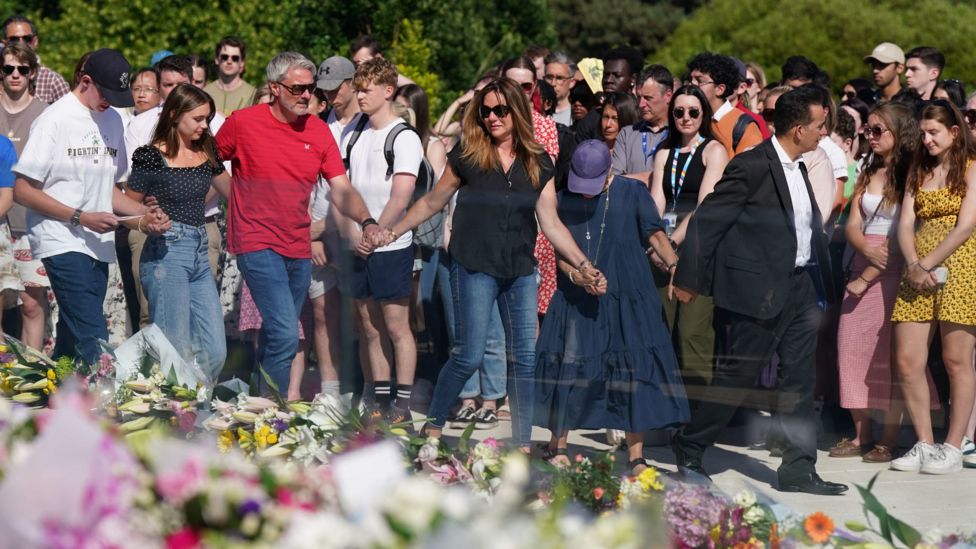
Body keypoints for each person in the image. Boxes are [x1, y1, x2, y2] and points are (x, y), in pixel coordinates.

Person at [382, 78, 606, 448]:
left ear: (516, 110)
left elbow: (550, 221)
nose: (491, 117)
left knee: (524, 360)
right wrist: (393, 230)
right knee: (468, 355)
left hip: (519, 270)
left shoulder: (538, 160)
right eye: (485, 111)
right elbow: (432, 202)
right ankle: (433, 428)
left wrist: (584, 264)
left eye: (500, 110)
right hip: (473, 266)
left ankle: (521, 445)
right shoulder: (469, 154)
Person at [671, 87, 847, 495]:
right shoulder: (751, 166)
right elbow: (708, 221)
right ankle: (690, 444)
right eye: (821, 125)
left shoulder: (801, 166)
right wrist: (688, 279)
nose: (825, 133)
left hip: (800, 286)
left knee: (800, 381)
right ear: (799, 128)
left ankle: (798, 470)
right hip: (758, 291)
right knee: (737, 378)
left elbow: (804, 230)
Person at [216, 51, 380, 396]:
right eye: (298, 88)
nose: (307, 95)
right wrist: (232, 196)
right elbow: (206, 163)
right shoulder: (243, 123)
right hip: (256, 242)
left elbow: (341, 187)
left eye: (311, 88)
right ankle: (271, 408)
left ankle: (260, 408)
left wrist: (366, 220)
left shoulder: (319, 132)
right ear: (275, 88)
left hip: (298, 246)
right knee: (286, 332)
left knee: (283, 336)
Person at [535, 139, 689, 472]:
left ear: (610, 174)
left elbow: (655, 234)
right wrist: (579, 277)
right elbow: (560, 254)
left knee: (632, 371)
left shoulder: (632, 193)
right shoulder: (562, 200)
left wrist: (675, 265)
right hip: (578, 297)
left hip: (630, 293)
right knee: (569, 369)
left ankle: (636, 455)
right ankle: (556, 445)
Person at [12, 49, 170, 364]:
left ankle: (53, 396)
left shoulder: (112, 119)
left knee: (73, 333)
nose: (110, 101)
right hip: (60, 238)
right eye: (106, 93)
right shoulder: (54, 119)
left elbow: (109, 190)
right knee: (93, 333)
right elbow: (22, 189)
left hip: (98, 243)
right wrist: (80, 217)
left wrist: (143, 217)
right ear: (85, 81)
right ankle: (104, 403)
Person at [890, 101, 976, 475]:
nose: (925, 140)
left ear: (954, 132)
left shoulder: (972, 168)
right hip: (917, 271)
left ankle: (954, 445)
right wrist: (913, 264)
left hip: (960, 265)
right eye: (923, 133)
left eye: (933, 133)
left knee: (957, 360)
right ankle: (924, 442)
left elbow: (966, 225)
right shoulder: (918, 172)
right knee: (908, 361)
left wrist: (926, 263)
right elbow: (905, 224)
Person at [833, 102, 921, 463]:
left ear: (899, 133)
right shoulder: (868, 167)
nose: (868, 136)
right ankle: (860, 433)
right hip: (862, 260)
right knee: (850, 346)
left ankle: (888, 436)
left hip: (894, 267)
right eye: (866, 130)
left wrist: (871, 271)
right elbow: (852, 222)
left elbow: (902, 235)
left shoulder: (911, 174)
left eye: (876, 130)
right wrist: (864, 255)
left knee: (888, 357)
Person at [126, 84, 230, 380]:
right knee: (175, 349)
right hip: (166, 253)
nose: (205, 126)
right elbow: (126, 207)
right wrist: (146, 219)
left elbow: (233, 193)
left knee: (214, 351)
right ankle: (178, 418)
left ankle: (193, 406)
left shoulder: (206, 149)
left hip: (199, 248)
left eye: (207, 118)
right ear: (174, 115)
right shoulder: (150, 156)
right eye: (198, 119)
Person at [342, 58, 423, 421]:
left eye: (365, 89)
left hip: (392, 244)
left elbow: (401, 197)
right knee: (368, 327)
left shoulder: (404, 136)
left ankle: (403, 403)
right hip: (358, 240)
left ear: (388, 91)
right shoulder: (353, 132)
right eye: (357, 88)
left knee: (395, 326)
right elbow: (341, 189)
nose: (358, 95)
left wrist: (376, 234)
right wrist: (355, 235)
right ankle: (377, 398)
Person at [649, 84, 728, 392]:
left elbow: (703, 207)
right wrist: (656, 240)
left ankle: (696, 412)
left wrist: (670, 244)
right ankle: (664, 407)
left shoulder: (713, 150)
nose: (686, 118)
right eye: (679, 112)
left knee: (691, 332)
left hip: (696, 251)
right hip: (662, 248)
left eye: (693, 111)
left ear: (703, 114)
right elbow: (656, 202)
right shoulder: (664, 152)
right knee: (661, 328)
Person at [0, 42, 51, 351]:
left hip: (32, 221)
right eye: (8, 69)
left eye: (22, 69)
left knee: (31, 304)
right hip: (1, 222)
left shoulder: (45, 113)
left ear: (33, 73)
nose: (15, 75)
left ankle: (31, 376)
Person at [686, 52, 762, 158]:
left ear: (720, 89)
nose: (691, 85)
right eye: (690, 80)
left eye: (700, 81)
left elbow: (751, 171)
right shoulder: (687, 120)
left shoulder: (743, 126)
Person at [611, 65, 674, 184]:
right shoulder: (627, 134)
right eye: (639, 97)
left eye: (648, 98)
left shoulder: (681, 134)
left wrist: (630, 178)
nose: (641, 104)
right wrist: (651, 177)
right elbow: (614, 180)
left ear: (668, 96)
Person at [1, 15, 69, 104]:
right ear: (4, 43)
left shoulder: (53, 81)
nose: (22, 43)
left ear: (35, 41)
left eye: (27, 39)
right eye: (14, 39)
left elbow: (70, 115)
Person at [204, 37, 257, 116]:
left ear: (242, 63)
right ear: (216, 60)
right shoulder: (205, 92)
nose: (229, 61)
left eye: (235, 58)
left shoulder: (253, 94)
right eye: (224, 57)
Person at [544, 52, 576, 127]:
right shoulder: (535, 112)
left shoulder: (577, 113)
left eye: (559, 78)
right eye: (549, 77)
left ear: (572, 82)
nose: (553, 83)